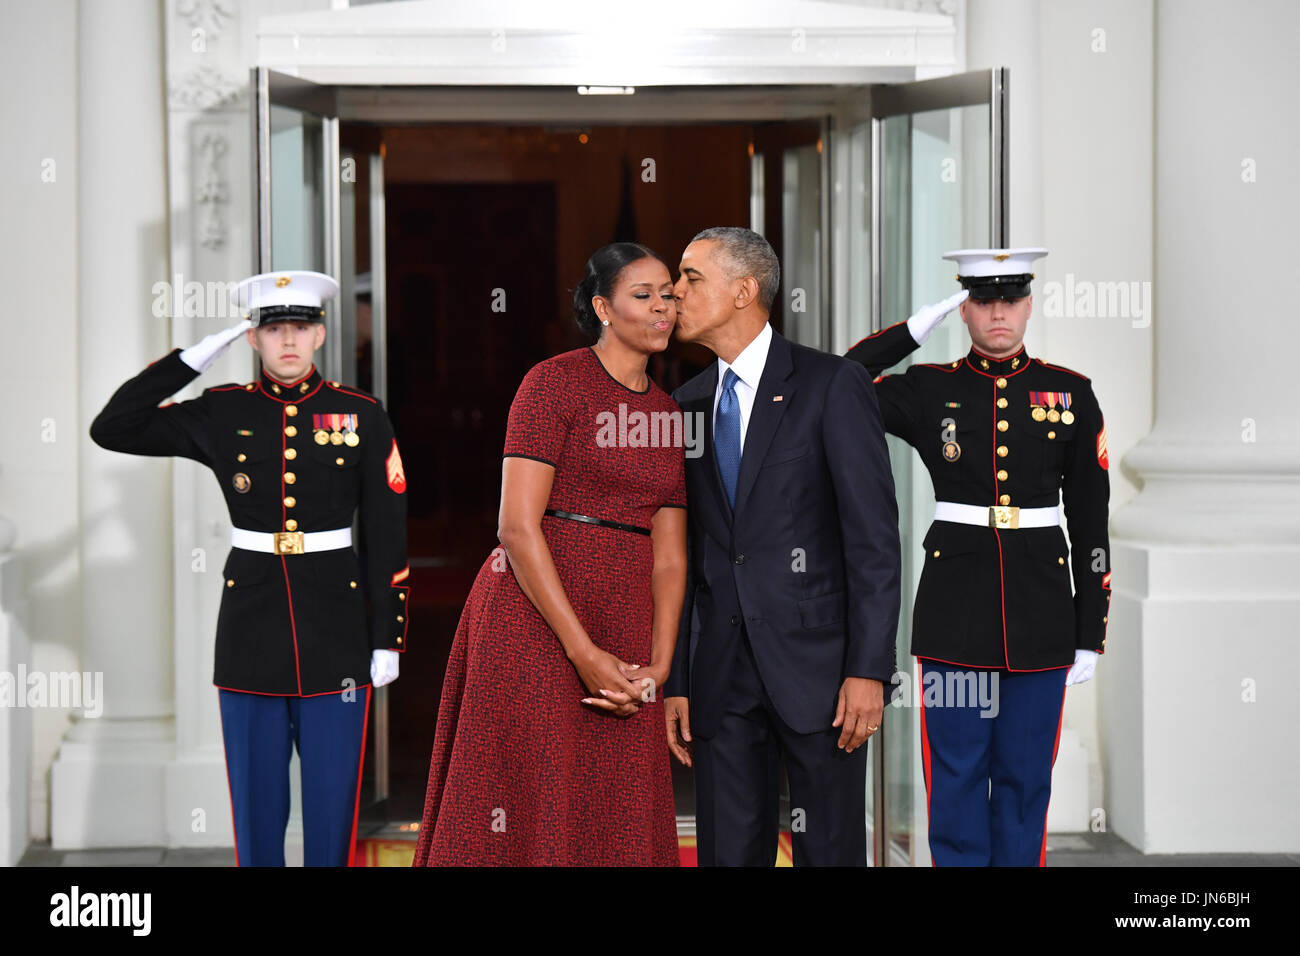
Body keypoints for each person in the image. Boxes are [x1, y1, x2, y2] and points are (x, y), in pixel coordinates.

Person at [88, 270, 409, 867]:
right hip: (251, 626)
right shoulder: (220, 411)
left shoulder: (361, 413)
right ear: (254, 339)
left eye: (301, 327)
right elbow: (113, 427)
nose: (288, 340)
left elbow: (388, 530)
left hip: (337, 627)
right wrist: (195, 358)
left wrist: (387, 637)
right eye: (273, 329)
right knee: (256, 808)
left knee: (332, 802)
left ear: (319, 335)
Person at [412, 242, 688, 866]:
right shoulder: (552, 383)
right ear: (603, 308)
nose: (662, 309)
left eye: (669, 294)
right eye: (643, 296)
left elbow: (670, 557)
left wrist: (660, 665)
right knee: (527, 795)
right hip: (533, 616)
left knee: (616, 800)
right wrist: (582, 650)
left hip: (628, 625)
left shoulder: (670, 415)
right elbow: (516, 527)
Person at [844, 247, 1111, 866]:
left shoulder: (1069, 393)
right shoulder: (928, 389)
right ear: (964, 308)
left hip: (1043, 614)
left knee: (1024, 782)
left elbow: (1091, 517)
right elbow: (842, 384)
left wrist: (1089, 631)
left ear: (1028, 305)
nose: (998, 313)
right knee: (957, 779)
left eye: (1009, 300)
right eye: (983, 301)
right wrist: (910, 333)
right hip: (954, 613)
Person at [664, 226, 901, 867]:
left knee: (829, 851)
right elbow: (687, 557)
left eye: (691, 278)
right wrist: (678, 680)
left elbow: (874, 542)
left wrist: (869, 670)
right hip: (721, 678)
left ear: (744, 291)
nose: (674, 291)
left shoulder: (832, 384)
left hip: (823, 678)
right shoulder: (684, 406)